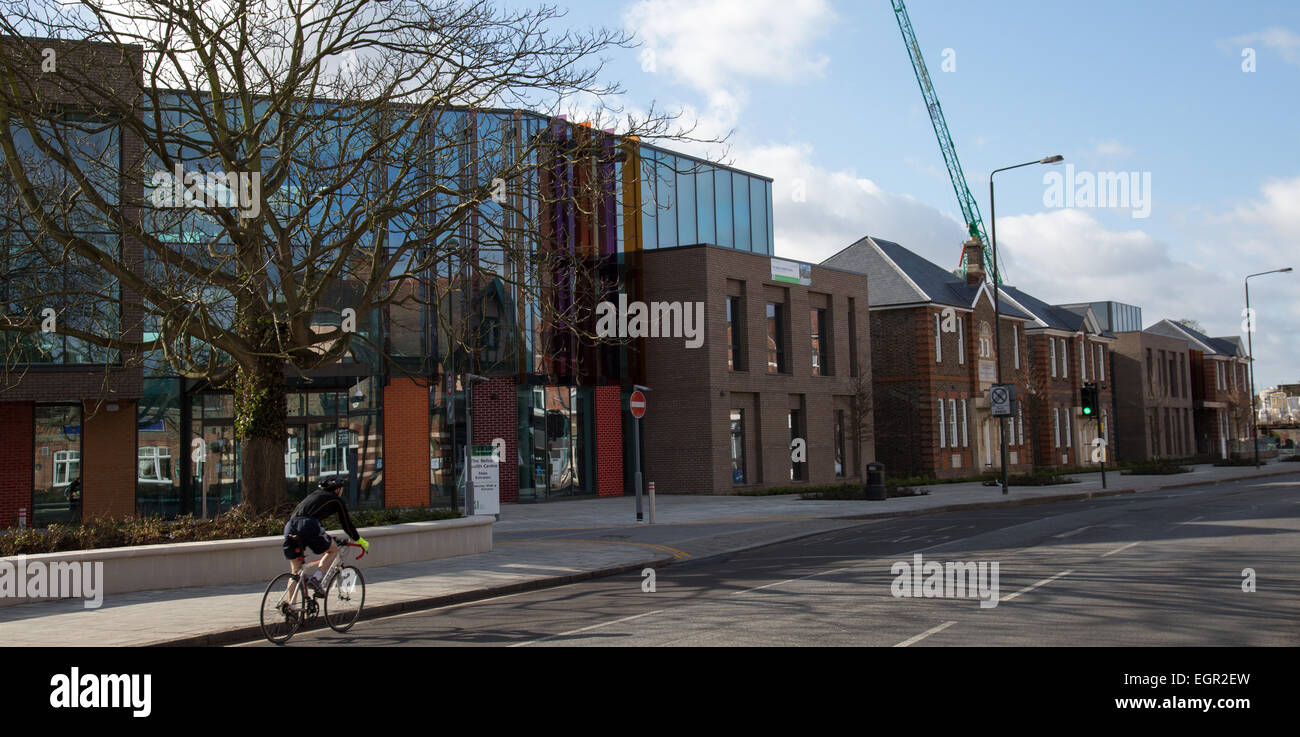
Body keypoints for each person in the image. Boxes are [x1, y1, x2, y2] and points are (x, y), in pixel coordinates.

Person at [282, 477, 369, 601]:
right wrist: (360, 540)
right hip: (308, 525)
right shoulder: (336, 499)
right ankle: (316, 579)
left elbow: (306, 520)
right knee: (333, 550)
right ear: (338, 489)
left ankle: (291, 609)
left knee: (296, 572)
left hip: (290, 526)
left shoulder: (313, 496)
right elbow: (346, 524)